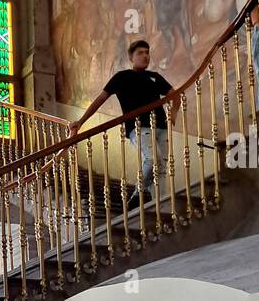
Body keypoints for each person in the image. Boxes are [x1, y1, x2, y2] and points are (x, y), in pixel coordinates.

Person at [68, 39, 179, 205]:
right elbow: (100, 100)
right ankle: (138, 194)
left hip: (162, 126)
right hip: (139, 127)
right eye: (140, 53)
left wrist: (174, 113)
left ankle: (158, 205)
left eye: (147, 52)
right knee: (152, 159)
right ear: (131, 58)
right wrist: (81, 121)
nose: (145, 56)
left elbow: (175, 95)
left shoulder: (154, 77)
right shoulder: (122, 77)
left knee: (162, 167)